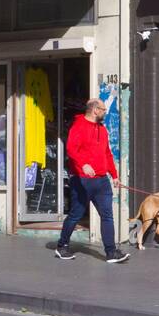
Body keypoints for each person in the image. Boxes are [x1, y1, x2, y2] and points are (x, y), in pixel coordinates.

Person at [55, 98, 128, 263]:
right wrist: (83, 164)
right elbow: (71, 149)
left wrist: (114, 175)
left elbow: (107, 153)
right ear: (95, 110)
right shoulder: (78, 126)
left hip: (102, 181)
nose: (105, 112)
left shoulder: (102, 129)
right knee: (76, 214)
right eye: (103, 109)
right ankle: (62, 246)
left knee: (107, 215)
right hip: (82, 180)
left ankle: (111, 253)